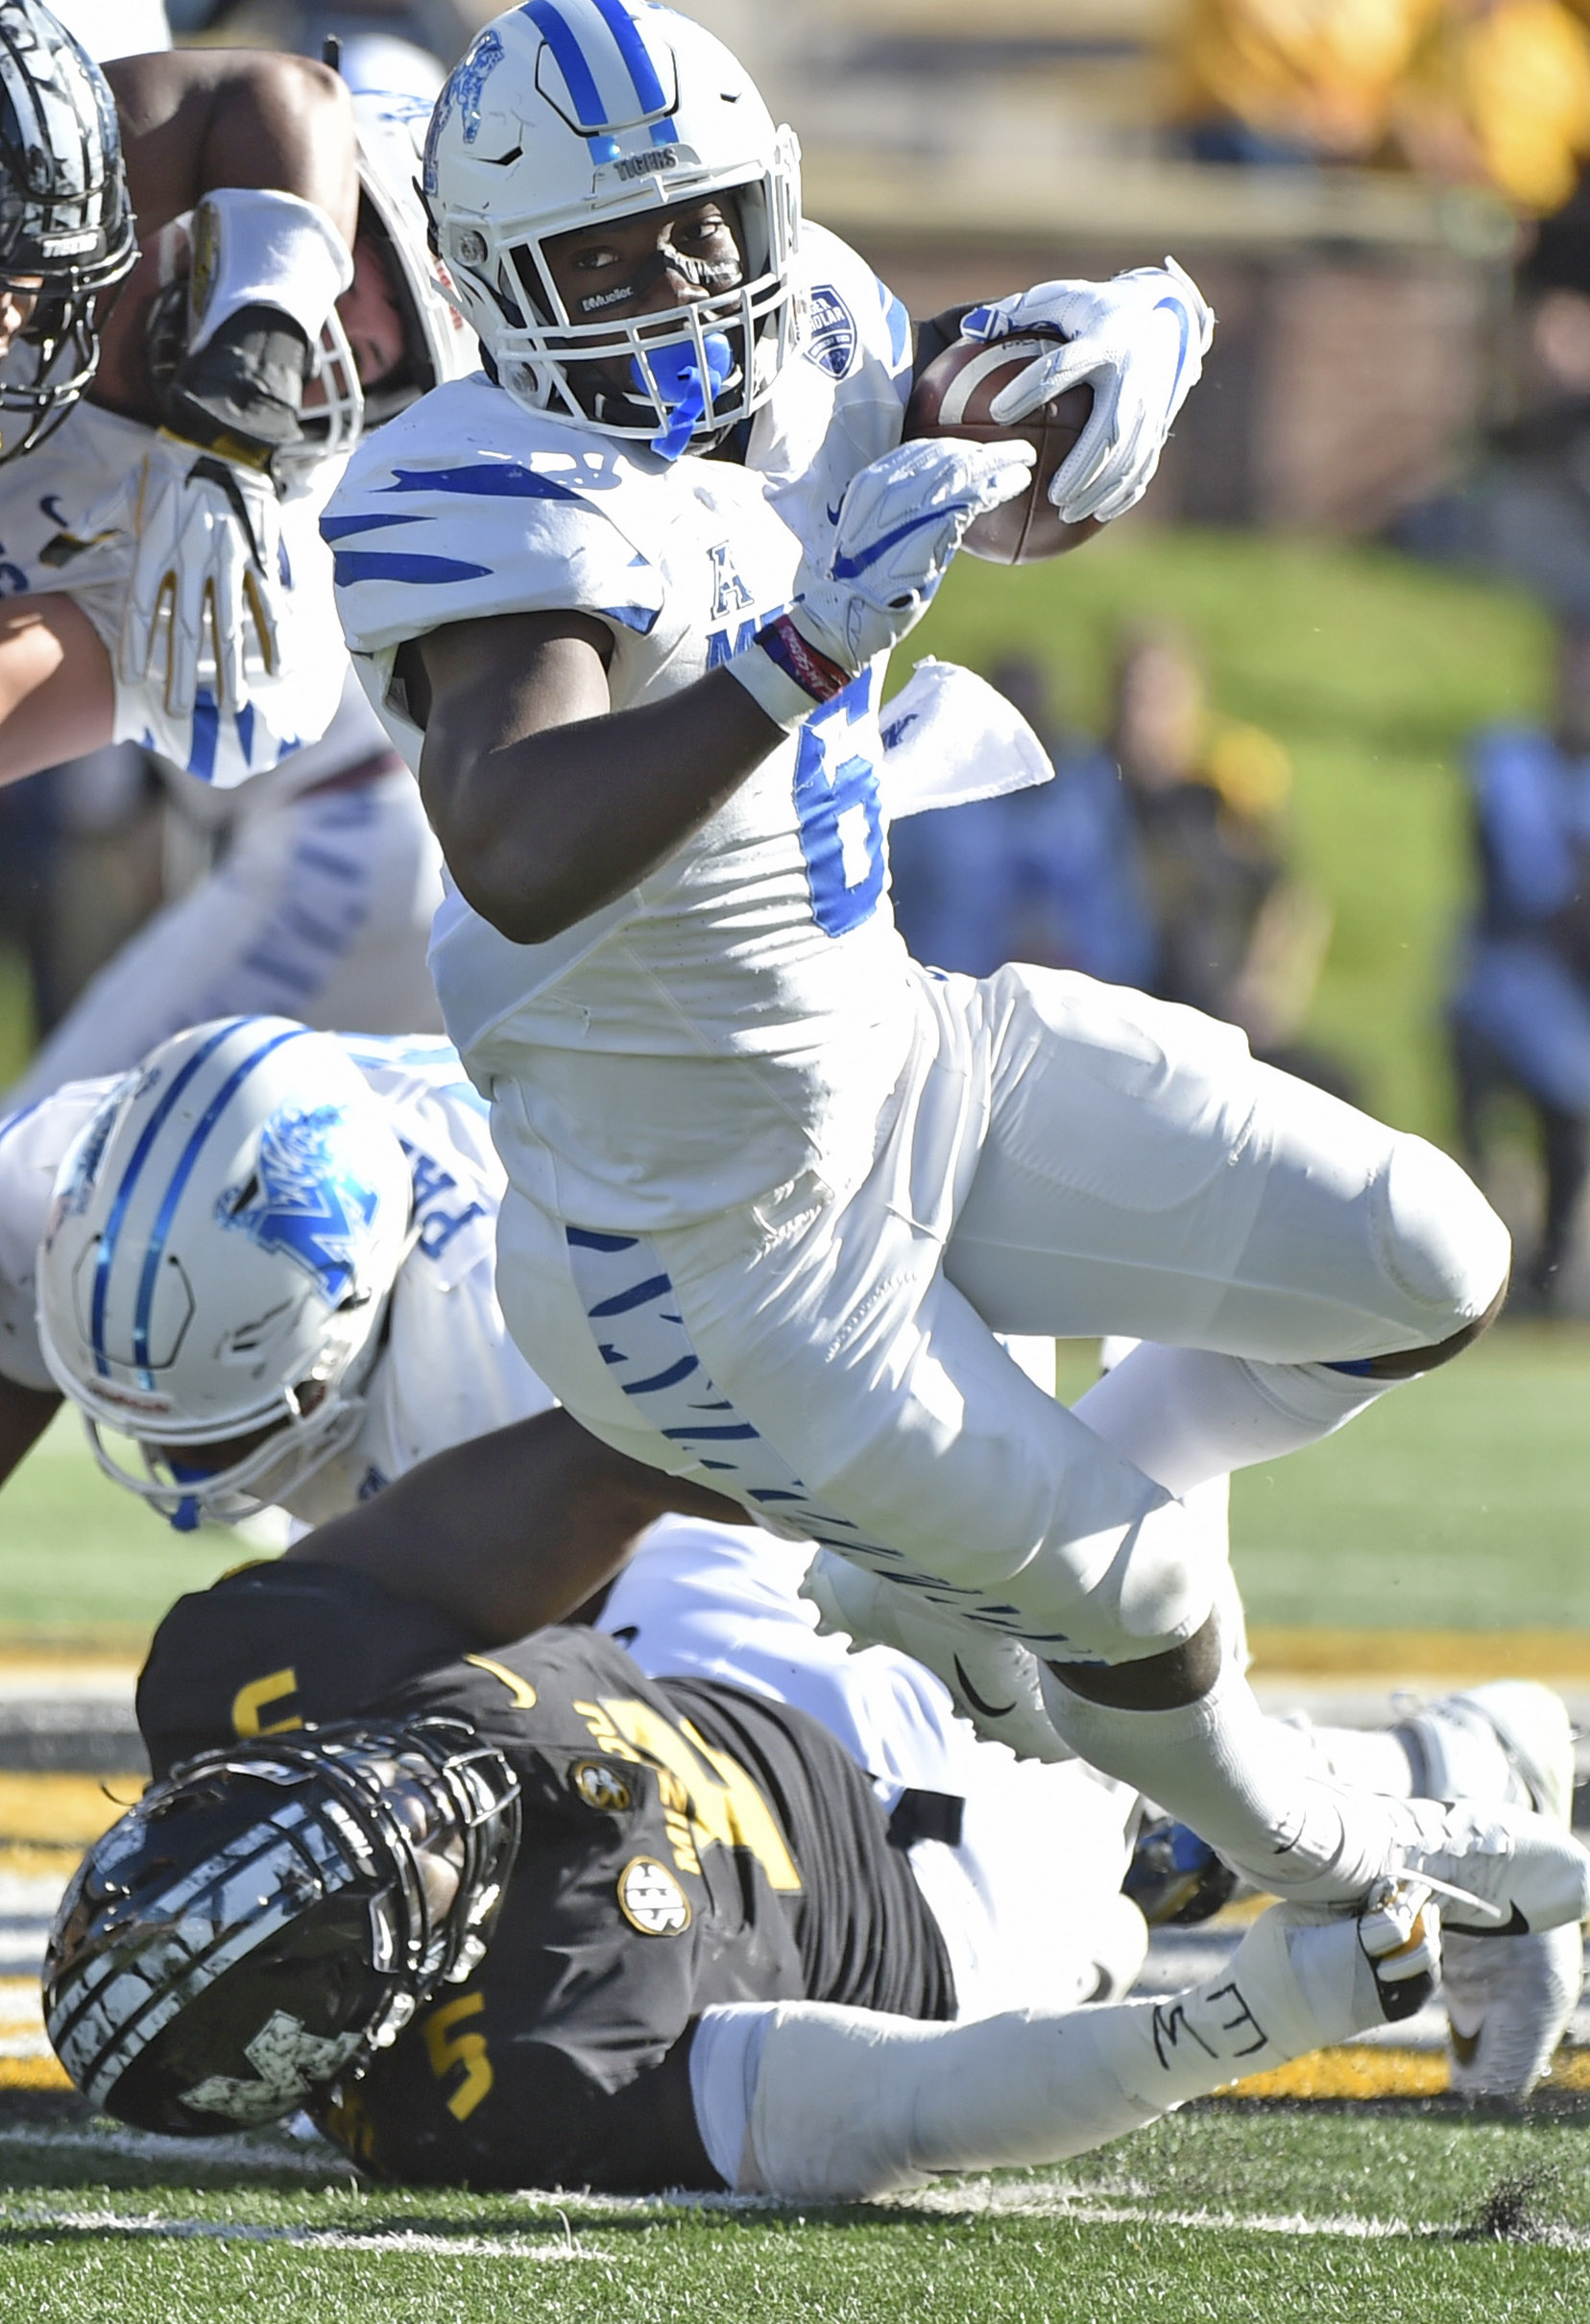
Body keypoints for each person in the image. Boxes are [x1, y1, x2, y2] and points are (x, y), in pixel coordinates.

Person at [320, 0, 1590, 1947]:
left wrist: (1137, 336)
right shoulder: (478, 487)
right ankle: (1348, 1870)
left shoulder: (813, 317)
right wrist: (803, 653)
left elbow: (997, 442)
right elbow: (517, 837)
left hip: (909, 1056)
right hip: (702, 1253)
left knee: (1433, 1262)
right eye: (608, 253)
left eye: (701, 228)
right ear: (498, 282)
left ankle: (971, 1589)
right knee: (1151, 1620)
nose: (675, 287)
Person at [48, 1473, 1588, 2185]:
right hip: (925, 1909)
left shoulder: (240, 1680)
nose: (408, 1787)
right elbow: (917, 2107)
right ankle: (1390, 1801)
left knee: (805, 1397)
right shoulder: (502, 2091)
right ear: (371, 2009)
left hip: (708, 1675)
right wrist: (1247, 2020)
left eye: (313, 1792)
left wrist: (769, 1409)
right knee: (1120, 1630)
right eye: (394, 1863)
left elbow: (596, 1451)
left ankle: (1327, 1786)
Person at [0, 19, 477, 1101]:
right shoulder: (119, 182)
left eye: (390, 359)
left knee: (43, 1189)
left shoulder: (221, 561)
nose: (360, 338)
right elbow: (282, 97)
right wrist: (238, 401)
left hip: (359, 835)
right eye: (379, 273)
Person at [1449, 616, 1590, 1306]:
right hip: (1513, 982)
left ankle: (1557, 1266)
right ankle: (1493, 1258)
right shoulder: (1507, 760)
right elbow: (1533, 888)